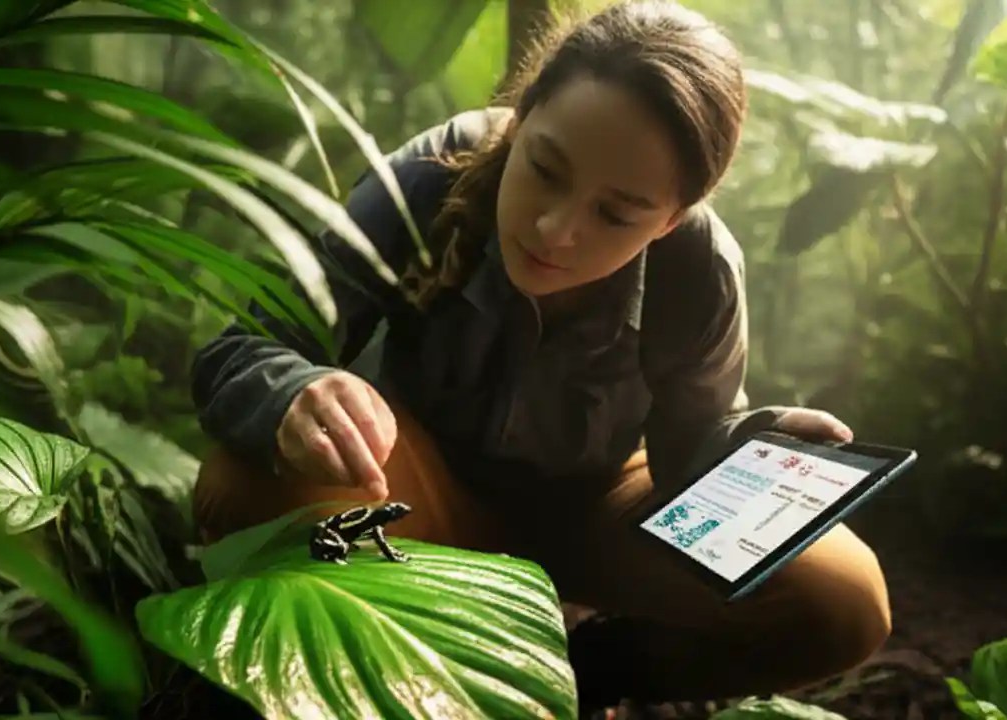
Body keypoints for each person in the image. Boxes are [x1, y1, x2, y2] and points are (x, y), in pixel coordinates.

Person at [191, 0, 890, 708]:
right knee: (251, 485)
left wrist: (753, 447)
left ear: (671, 217)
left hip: (597, 509)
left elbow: (689, 454)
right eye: (546, 169)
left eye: (616, 215)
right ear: (521, 118)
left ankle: (575, 680)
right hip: (412, 492)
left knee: (842, 599)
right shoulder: (435, 174)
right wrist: (292, 394)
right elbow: (246, 348)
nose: (557, 230)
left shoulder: (697, 267)